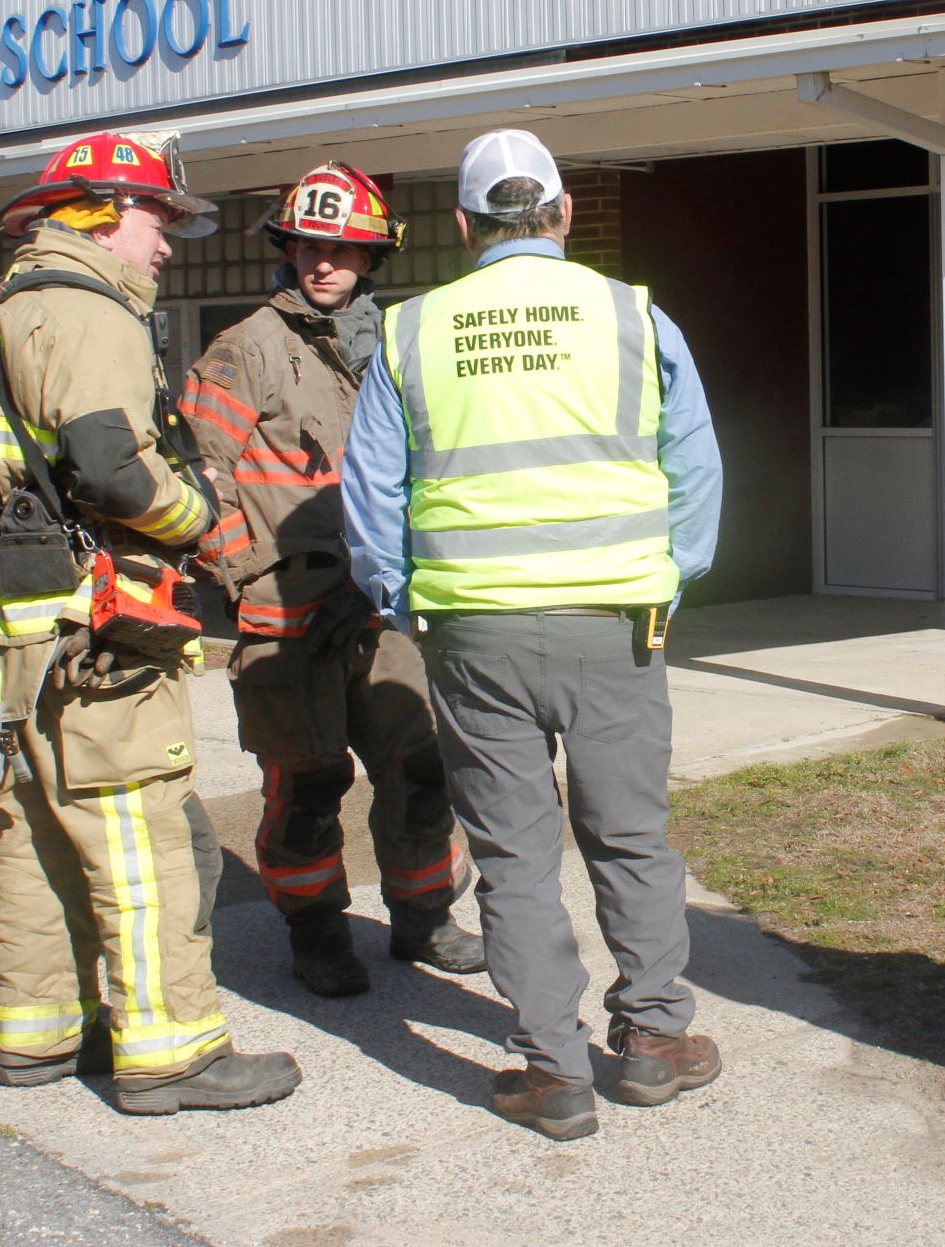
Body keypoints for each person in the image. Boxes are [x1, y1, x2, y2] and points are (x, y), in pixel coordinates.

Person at [341, 128, 725, 1142]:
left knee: (512, 856)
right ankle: (650, 1042)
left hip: (474, 631)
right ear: (557, 213)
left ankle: (553, 1073)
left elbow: (372, 490)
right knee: (630, 838)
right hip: (614, 623)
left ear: (464, 226)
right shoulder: (635, 316)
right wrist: (665, 579)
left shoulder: (412, 330)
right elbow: (697, 470)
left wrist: (402, 597)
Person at [0, 129, 300, 1116]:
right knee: (142, 835)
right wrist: (200, 513)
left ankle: (37, 1036)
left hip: (12, 629)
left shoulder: (2, 305)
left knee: (35, 829)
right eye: (156, 220)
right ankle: (170, 1053)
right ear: (97, 215)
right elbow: (110, 468)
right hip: (96, 631)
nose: (169, 243)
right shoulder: (90, 314)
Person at [179, 163, 486, 997]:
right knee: (308, 786)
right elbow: (197, 480)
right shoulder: (245, 351)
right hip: (290, 614)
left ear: (370, 258)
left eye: (344, 251)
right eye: (309, 246)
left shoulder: (395, 345)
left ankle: (423, 920)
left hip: (383, 607)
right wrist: (248, 577)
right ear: (286, 248)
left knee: (421, 768)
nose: (324, 265)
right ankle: (315, 935)